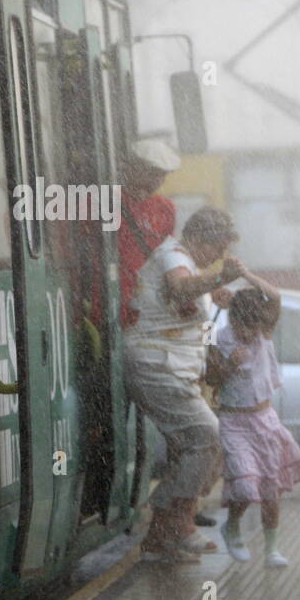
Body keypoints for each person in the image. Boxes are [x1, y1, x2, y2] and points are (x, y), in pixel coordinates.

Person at [125, 207, 243, 562]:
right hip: (155, 363)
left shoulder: (186, 262)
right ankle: (176, 521)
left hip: (171, 368)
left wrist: (213, 286)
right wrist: (216, 278)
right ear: (197, 239)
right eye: (217, 250)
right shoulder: (173, 254)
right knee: (207, 438)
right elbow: (179, 289)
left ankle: (164, 533)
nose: (218, 259)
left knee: (196, 446)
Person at [207, 281, 300, 568]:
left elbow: (275, 295)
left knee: (269, 489)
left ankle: (271, 549)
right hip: (234, 420)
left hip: (264, 419)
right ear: (233, 319)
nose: (248, 335)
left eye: (253, 328)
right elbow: (211, 379)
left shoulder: (264, 335)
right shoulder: (219, 339)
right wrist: (228, 365)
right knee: (244, 484)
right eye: (243, 328)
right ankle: (232, 525)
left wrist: (243, 274)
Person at [118, 139, 182, 329]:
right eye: (153, 173)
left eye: (162, 175)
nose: (158, 181)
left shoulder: (165, 209)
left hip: (145, 307)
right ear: (133, 168)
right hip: (111, 300)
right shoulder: (104, 201)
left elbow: (165, 254)